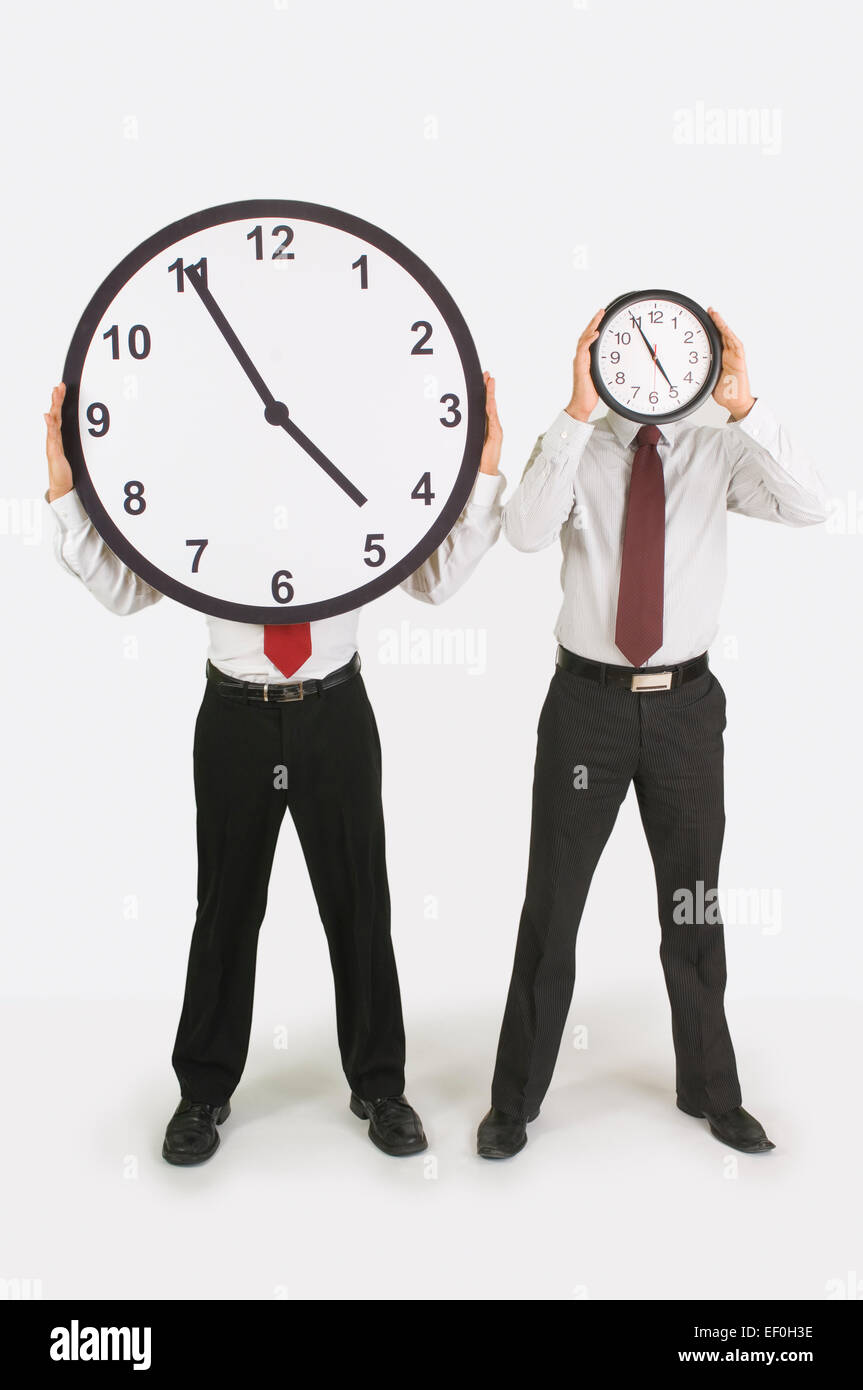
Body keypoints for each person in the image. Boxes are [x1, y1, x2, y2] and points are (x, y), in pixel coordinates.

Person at [44, 374, 504, 1165]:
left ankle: (380, 1086)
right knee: (224, 908)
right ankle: (203, 1092)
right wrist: (64, 492)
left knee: (359, 904)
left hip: (335, 711)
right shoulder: (207, 503)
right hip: (234, 719)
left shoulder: (355, 492)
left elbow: (436, 580)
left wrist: (485, 468)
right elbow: (123, 591)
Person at [477, 307, 827, 1159]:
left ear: (700, 362)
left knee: (693, 904)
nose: (653, 370)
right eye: (628, 353)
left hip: (683, 710)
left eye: (675, 353)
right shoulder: (575, 445)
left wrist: (747, 407)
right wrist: (571, 411)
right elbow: (522, 533)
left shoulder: (717, 450)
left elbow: (812, 507)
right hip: (586, 708)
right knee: (551, 907)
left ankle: (709, 1090)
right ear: (603, 363)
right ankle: (513, 1103)